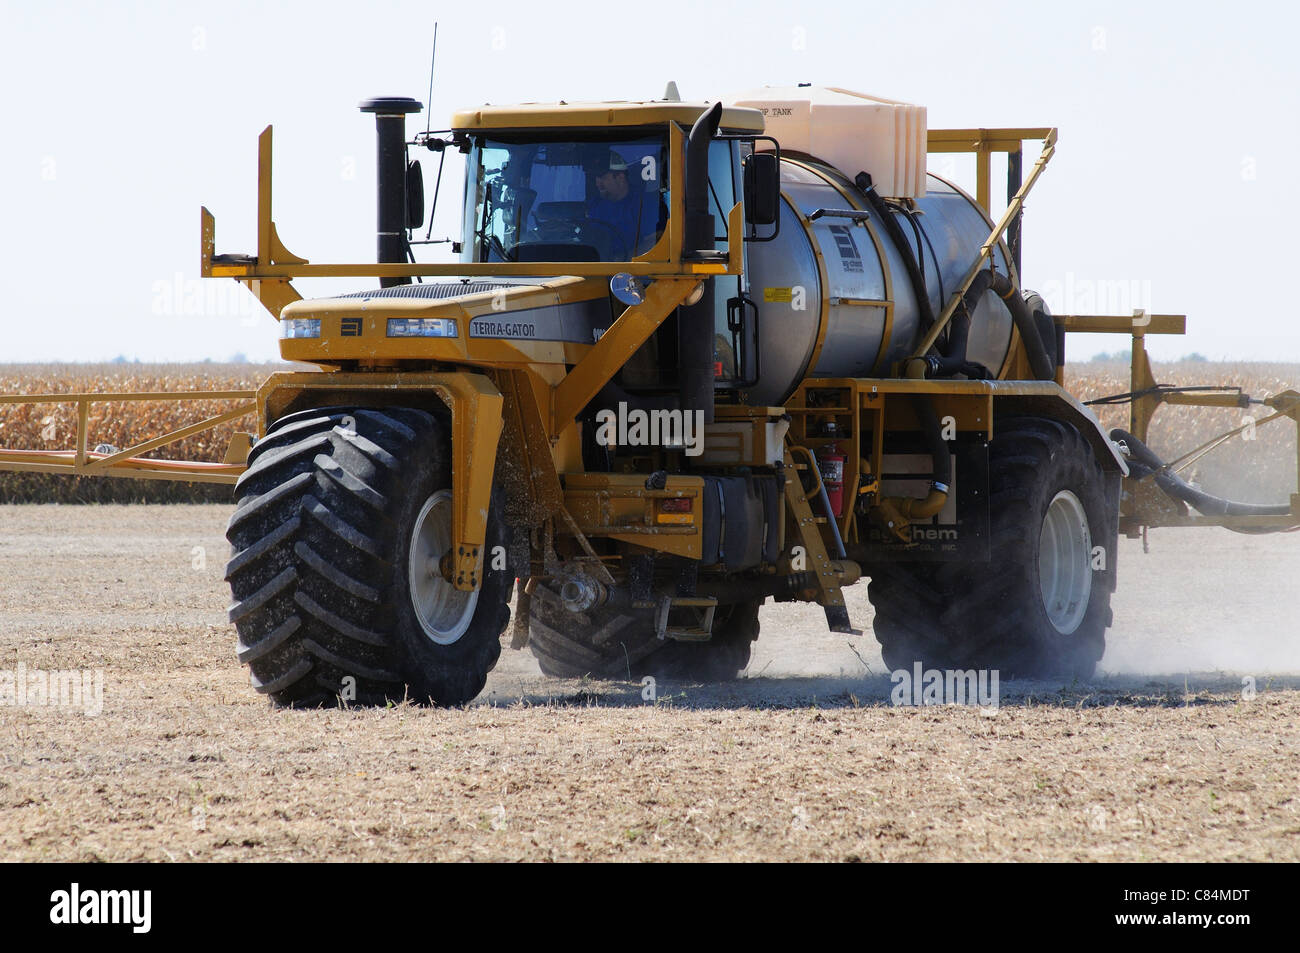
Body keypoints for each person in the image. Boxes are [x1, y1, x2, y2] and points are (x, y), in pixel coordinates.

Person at [586, 150, 659, 258]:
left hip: (634, 272)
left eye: (602, 178)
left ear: (620, 178)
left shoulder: (645, 204)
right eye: (595, 178)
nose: (597, 183)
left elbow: (653, 242)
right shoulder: (593, 205)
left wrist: (624, 260)